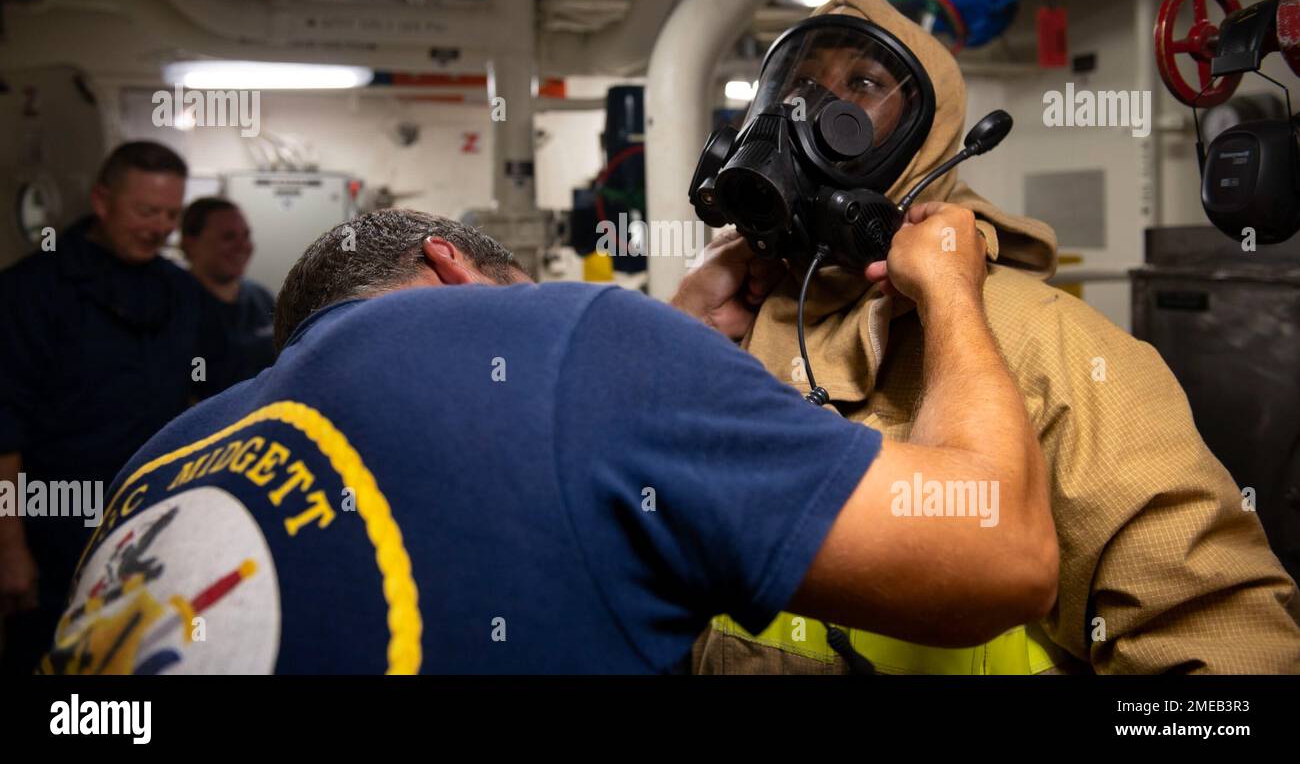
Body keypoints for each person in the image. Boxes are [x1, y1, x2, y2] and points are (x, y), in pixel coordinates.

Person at [42, 207, 1055, 674]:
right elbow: (999, 552)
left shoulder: (167, 458)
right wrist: (954, 293)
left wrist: (664, 351)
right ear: (451, 269)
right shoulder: (557, 337)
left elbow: (523, 479)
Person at [693, 0, 1300, 675]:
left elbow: (1224, 654)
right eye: (799, 84)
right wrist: (676, 341)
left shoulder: (1044, 343)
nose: (806, 112)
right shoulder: (722, 337)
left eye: (860, 85)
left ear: (925, 146)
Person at [0, 142, 235, 674]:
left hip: (150, 525)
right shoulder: (31, 290)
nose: (159, 227)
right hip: (51, 524)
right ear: (102, 202)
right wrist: (10, 550)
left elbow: (218, 395)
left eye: (171, 215)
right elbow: (4, 427)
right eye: (145, 211)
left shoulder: (181, 294)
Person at [180, 198, 277, 383]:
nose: (243, 247)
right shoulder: (175, 305)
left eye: (246, 236)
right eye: (228, 237)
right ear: (191, 244)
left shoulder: (261, 298)